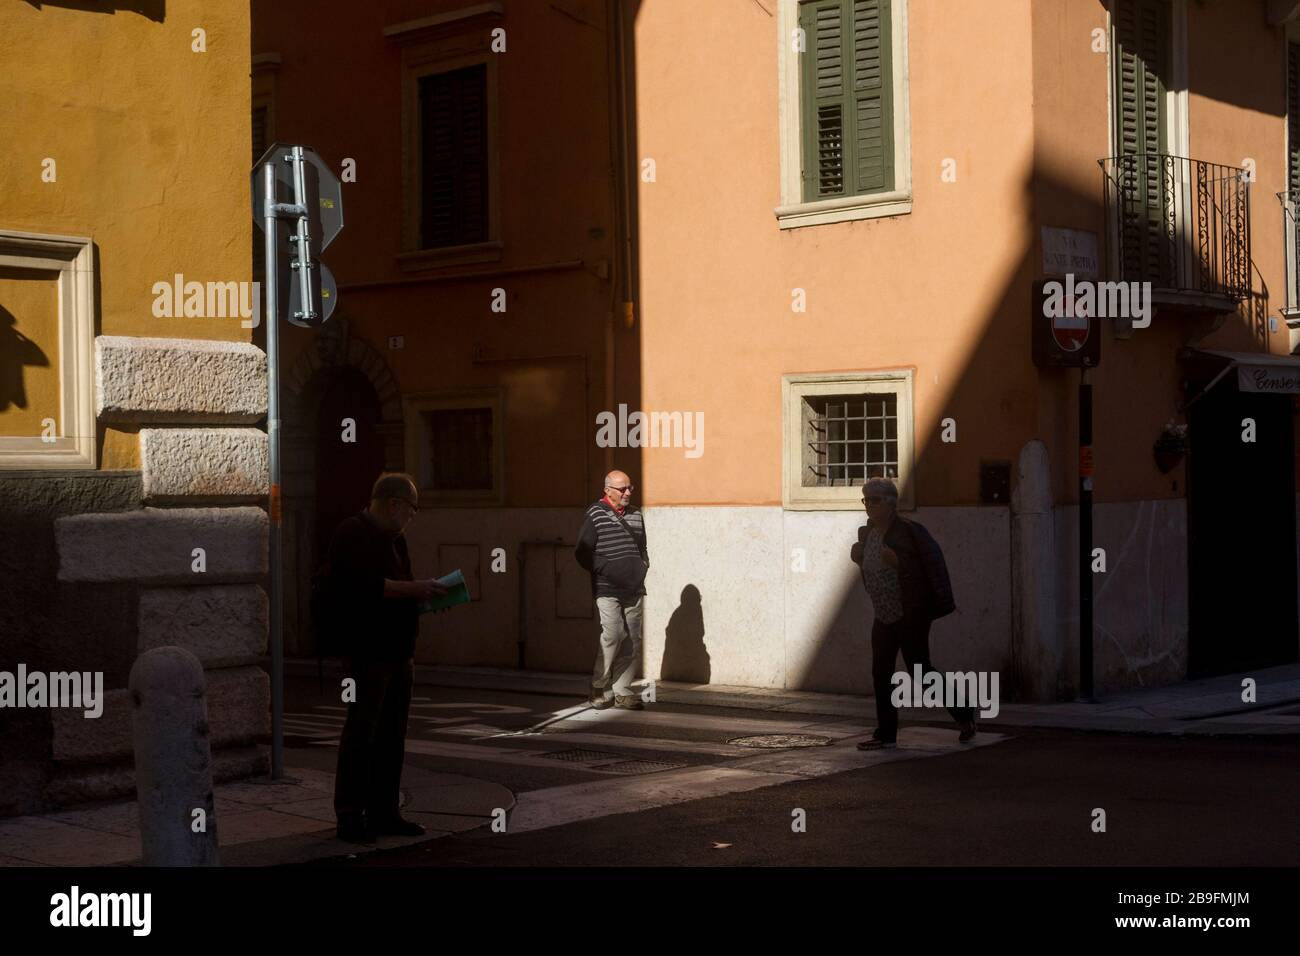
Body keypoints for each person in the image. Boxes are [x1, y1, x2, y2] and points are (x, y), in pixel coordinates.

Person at [327, 472, 449, 843]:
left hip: (399, 652)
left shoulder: (398, 541)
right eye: (412, 508)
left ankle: (385, 813)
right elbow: (359, 585)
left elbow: (399, 587)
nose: (413, 516)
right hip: (367, 652)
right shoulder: (352, 532)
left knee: (392, 736)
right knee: (361, 733)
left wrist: (424, 596)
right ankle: (350, 816)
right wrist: (415, 588)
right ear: (394, 504)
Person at [850, 477, 975, 750]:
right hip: (883, 615)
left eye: (874, 500)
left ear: (891, 503)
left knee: (920, 671)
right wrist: (859, 557)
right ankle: (885, 734)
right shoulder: (868, 534)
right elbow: (871, 570)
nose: (868, 505)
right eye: (865, 500)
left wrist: (900, 563)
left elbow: (928, 569)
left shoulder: (909, 531)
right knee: (881, 673)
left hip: (910, 615)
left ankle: (965, 714)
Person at [575, 470, 648, 711]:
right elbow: (582, 553)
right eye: (622, 489)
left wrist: (642, 566)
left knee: (632, 642)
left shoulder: (637, 515)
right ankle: (599, 685)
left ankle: (622, 691)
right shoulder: (595, 514)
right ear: (607, 491)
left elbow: (642, 547)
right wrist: (606, 568)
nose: (628, 492)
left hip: (634, 587)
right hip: (607, 588)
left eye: (630, 488)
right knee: (614, 635)